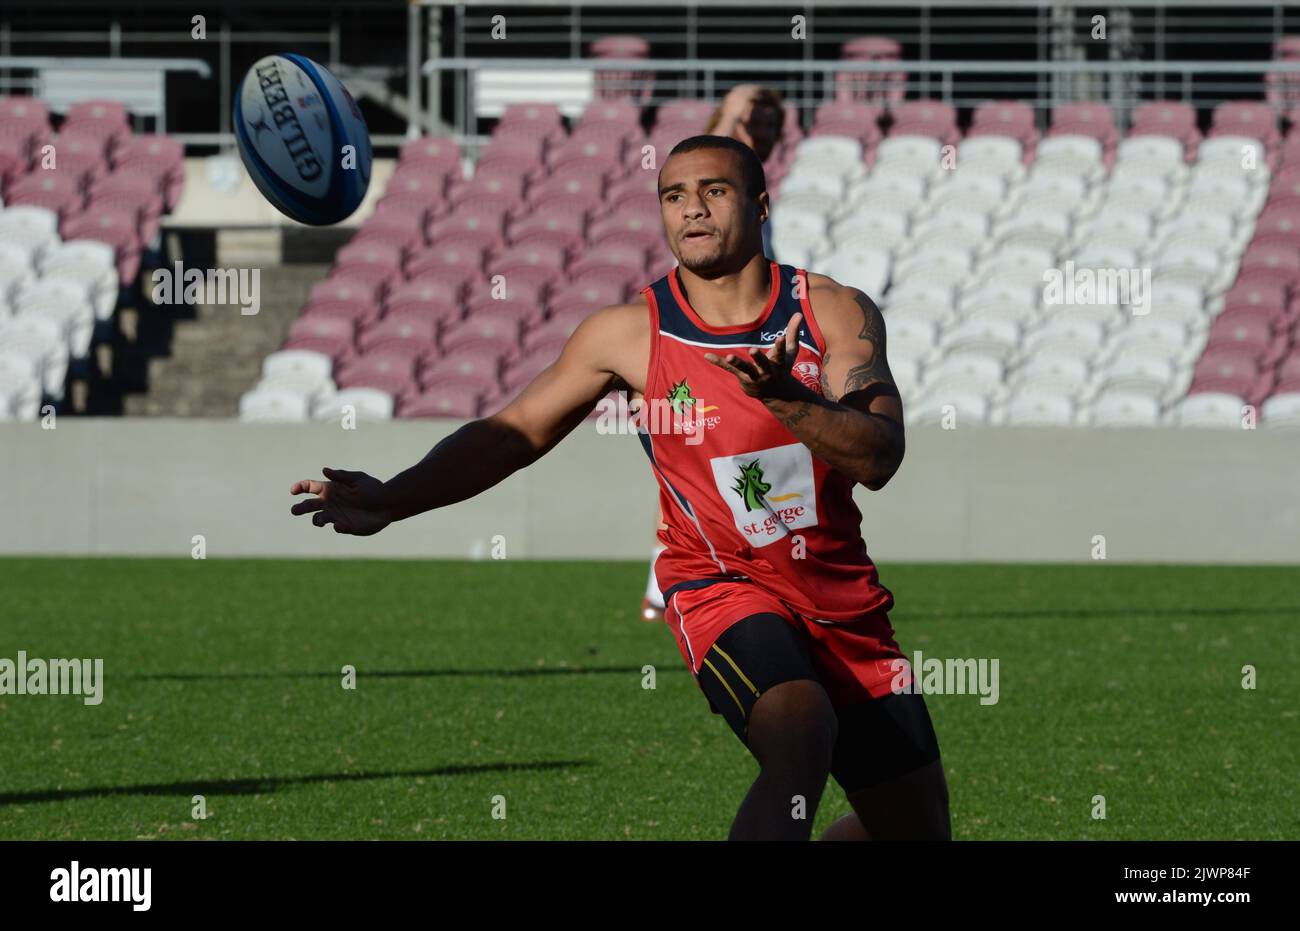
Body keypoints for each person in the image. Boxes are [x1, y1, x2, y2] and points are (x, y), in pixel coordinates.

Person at [290, 135, 950, 841]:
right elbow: (511, 433)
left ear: (760, 205)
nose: (691, 210)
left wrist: (790, 398)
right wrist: (393, 497)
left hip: (842, 602)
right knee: (800, 730)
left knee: (911, 832)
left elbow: (881, 456)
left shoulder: (834, 313)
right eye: (673, 196)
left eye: (714, 191)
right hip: (720, 585)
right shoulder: (628, 334)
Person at [640, 84, 786, 622]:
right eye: (756, 120)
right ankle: (676, 581)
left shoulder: (751, 184)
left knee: (730, 467)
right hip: (717, 334)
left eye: (773, 122)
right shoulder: (720, 169)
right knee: (699, 464)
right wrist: (737, 106)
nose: (692, 207)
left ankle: (709, 576)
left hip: (754, 324)